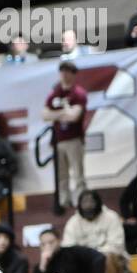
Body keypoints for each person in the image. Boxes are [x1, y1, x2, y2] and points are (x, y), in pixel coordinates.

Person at [41, 61, 88, 214]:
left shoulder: (78, 93)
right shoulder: (54, 93)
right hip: (58, 139)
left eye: (68, 72)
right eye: (62, 72)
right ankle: (63, 201)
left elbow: (75, 116)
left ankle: (81, 200)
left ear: (73, 74)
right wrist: (63, 113)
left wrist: (56, 114)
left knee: (77, 172)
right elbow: (44, 114)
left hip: (74, 138)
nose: (64, 75)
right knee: (61, 174)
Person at [62, 189, 126, 259]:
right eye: (84, 202)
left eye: (91, 202)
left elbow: (117, 246)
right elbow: (68, 247)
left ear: (99, 203)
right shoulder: (73, 222)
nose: (88, 206)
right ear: (79, 205)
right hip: (82, 261)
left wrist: (95, 255)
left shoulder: (111, 217)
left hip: (109, 259)